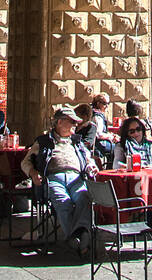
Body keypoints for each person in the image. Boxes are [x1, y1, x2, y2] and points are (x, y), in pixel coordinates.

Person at [22, 106, 98, 252]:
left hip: (76, 178)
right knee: (63, 202)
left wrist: (91, 167)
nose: (75, 125)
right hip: (54, 178)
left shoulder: (77, 142)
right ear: (59, 123)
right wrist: (32, 173)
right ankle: (80, 238)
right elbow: (25, 162)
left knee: (85, 198)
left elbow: (88, 159)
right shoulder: (43, 142)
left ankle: (75, 238)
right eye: (71, 122)